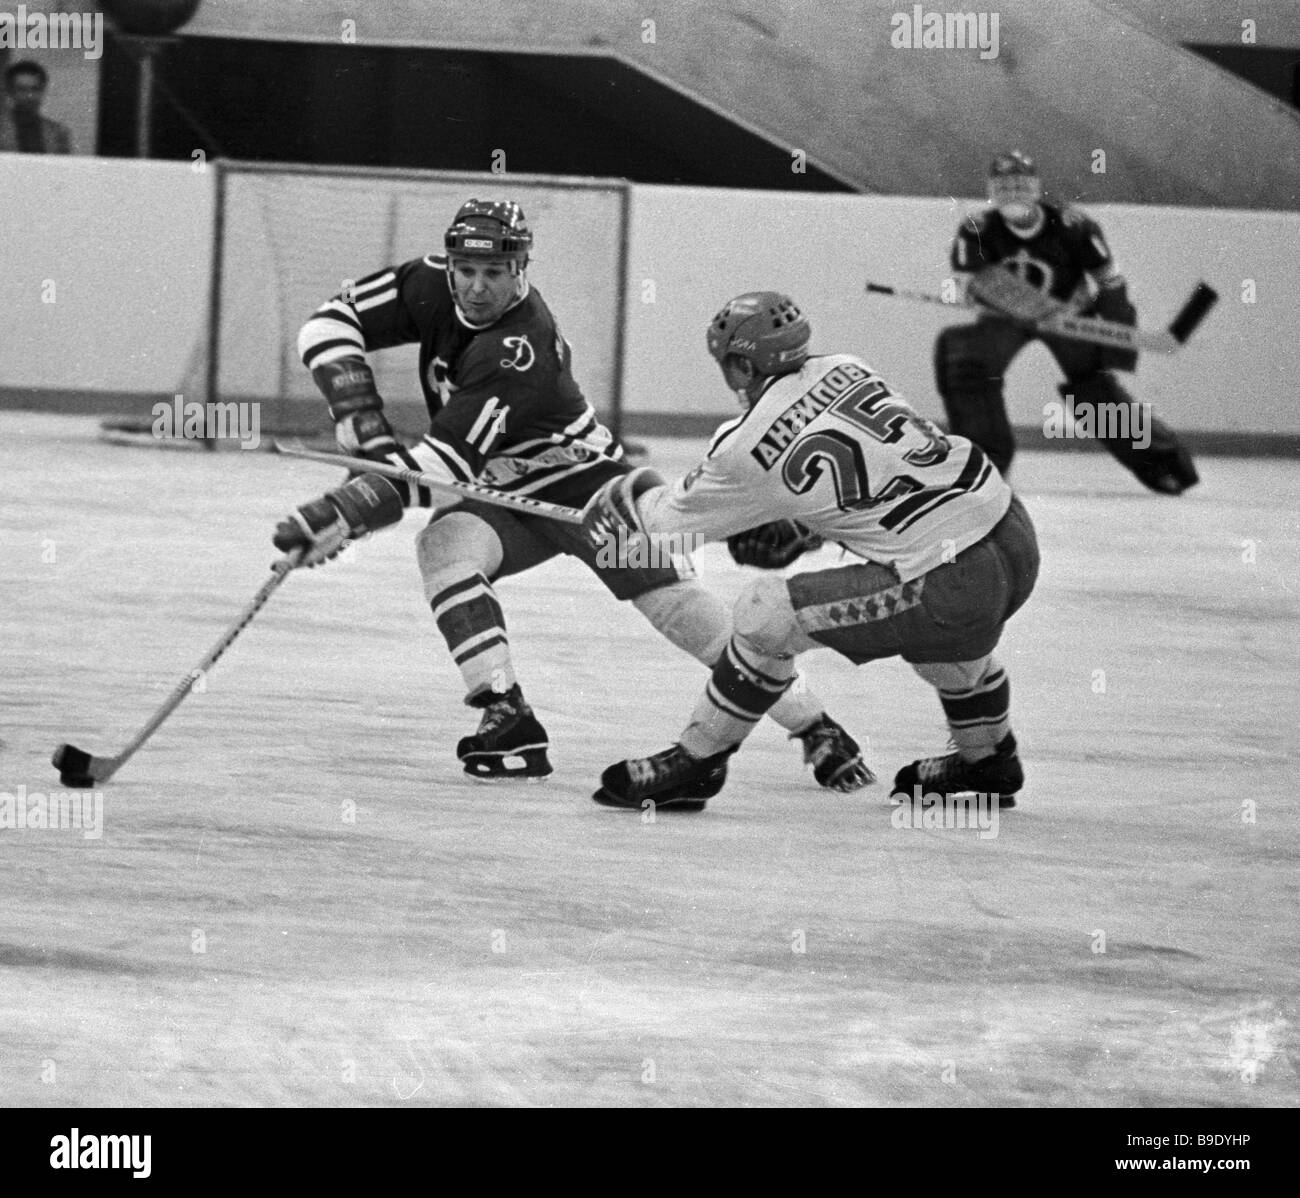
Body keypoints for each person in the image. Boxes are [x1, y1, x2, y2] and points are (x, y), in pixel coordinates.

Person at [271, 200, 872, 790]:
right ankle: (506, 713)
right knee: (447, 546)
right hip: (504, 490)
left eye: (495, 274)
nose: (477, 288)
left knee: (677, 607)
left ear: (520, 271)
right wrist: (361, 423)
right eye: (468, 271)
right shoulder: (428, 282)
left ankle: (817, 727)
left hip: (590, 488)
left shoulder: (517, 348)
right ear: (450, 263)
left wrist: (344, 513)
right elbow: (328, 322)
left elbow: (435, 471)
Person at [583, 291, 1040, 812]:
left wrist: (616, 499)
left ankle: (696, 762)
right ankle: (990, 761)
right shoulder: (850, 367)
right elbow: (878, 482)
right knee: (949, 652)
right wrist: (804, 531)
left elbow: (656, 534)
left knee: (766, 615)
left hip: (949, 579)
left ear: (738, 367)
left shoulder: (742, 448)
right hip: (1012, 532)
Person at [933, 151, 1197, 494]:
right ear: (991, 189)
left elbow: (1110, 282)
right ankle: (985, 465)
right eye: (1004, 185)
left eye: (1021, 184)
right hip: (1008, 319)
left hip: (1070, 318)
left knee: (1094, 389)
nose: (1013, 191)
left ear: (1036, 187)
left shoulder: (1074, 226)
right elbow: (971, 281)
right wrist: (1009, 302)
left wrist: (1116, 337)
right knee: (964, 360)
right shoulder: (977, 229)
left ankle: (1164, 465)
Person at [0, 61, 73, 154]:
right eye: (22, 89)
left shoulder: (57, 132)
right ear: (10, 92)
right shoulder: (2, 128)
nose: (29, 96)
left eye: (35, 89)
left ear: (43, 90)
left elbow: (65, 166)